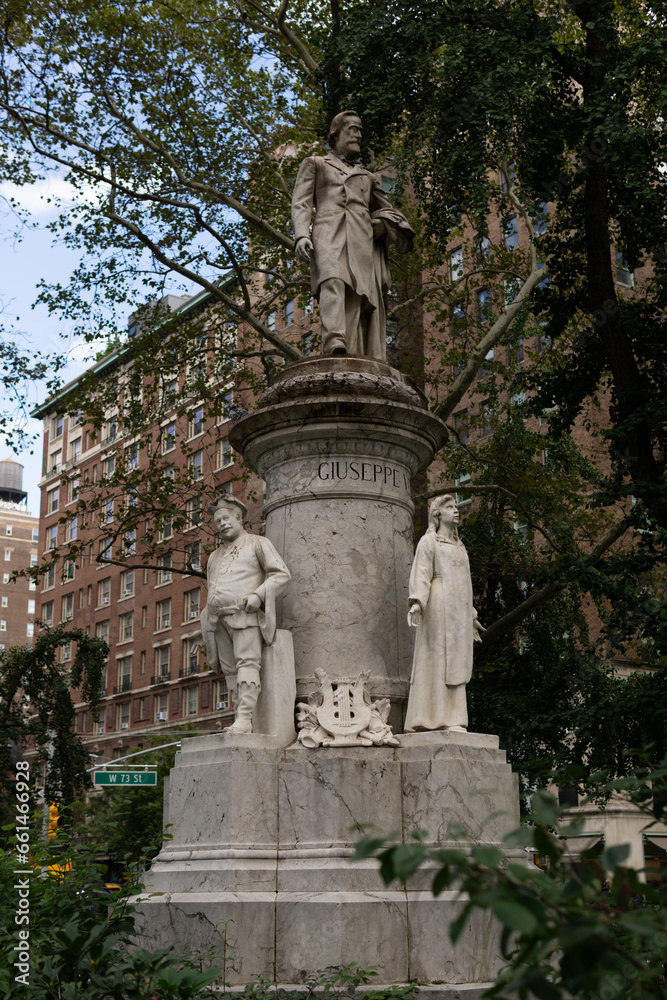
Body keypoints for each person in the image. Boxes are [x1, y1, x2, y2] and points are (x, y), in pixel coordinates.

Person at [291, 111, 414, 360]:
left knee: (357, 294)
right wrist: (301, 235)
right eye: (353, 129)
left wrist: (384, 226)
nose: (358, 135)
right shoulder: (316, 163)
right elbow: (301, 203)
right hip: (328, 230)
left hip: (361, 238)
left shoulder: (368, 176)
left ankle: (353, 347)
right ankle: (335, 340)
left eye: (360, 130)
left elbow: (387, 210)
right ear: (336, 134)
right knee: (332, 280)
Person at [200, 495, 291, 734]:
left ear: (239, 518)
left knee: (247, 664)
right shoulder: (214, 556)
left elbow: (281, 575)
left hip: (245, 615)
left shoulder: (258, 543)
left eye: (226, 518)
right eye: (218, 521)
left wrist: (259, 595)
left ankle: (246, 718)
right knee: (230, 670)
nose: (222, 524)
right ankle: (238, 714)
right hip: (218, 620)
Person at [404, 495, 484, 732]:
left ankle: (454, 718)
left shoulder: (460, 547)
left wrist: (471, 616)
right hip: (438, 604)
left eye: (456, 507)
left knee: (457, 660)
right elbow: (421, 573)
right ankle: (434, 719)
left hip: (459, 609)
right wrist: (418, 603)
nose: (456, 511)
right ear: (438, 514)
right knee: (438, 659)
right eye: (450, 507)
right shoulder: (429, 542)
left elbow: (465, 584)